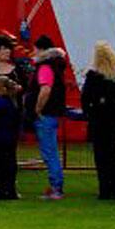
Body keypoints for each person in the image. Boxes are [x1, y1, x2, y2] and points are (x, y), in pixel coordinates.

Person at [79, 41, 115, 202]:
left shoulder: (94, 75)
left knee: (101, 156)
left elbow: (86, 98)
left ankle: (105, 189)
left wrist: (88, 113)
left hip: (100, 120)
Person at [29, 35, 68, 201]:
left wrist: (37, 108)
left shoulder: (45, 67)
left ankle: (56, 187)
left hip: (46, 113)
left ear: (41, 50)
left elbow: (45, 89)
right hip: (54, 112)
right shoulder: (57, 65)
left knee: (49, 151)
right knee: (51, 150)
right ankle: (56, 186)